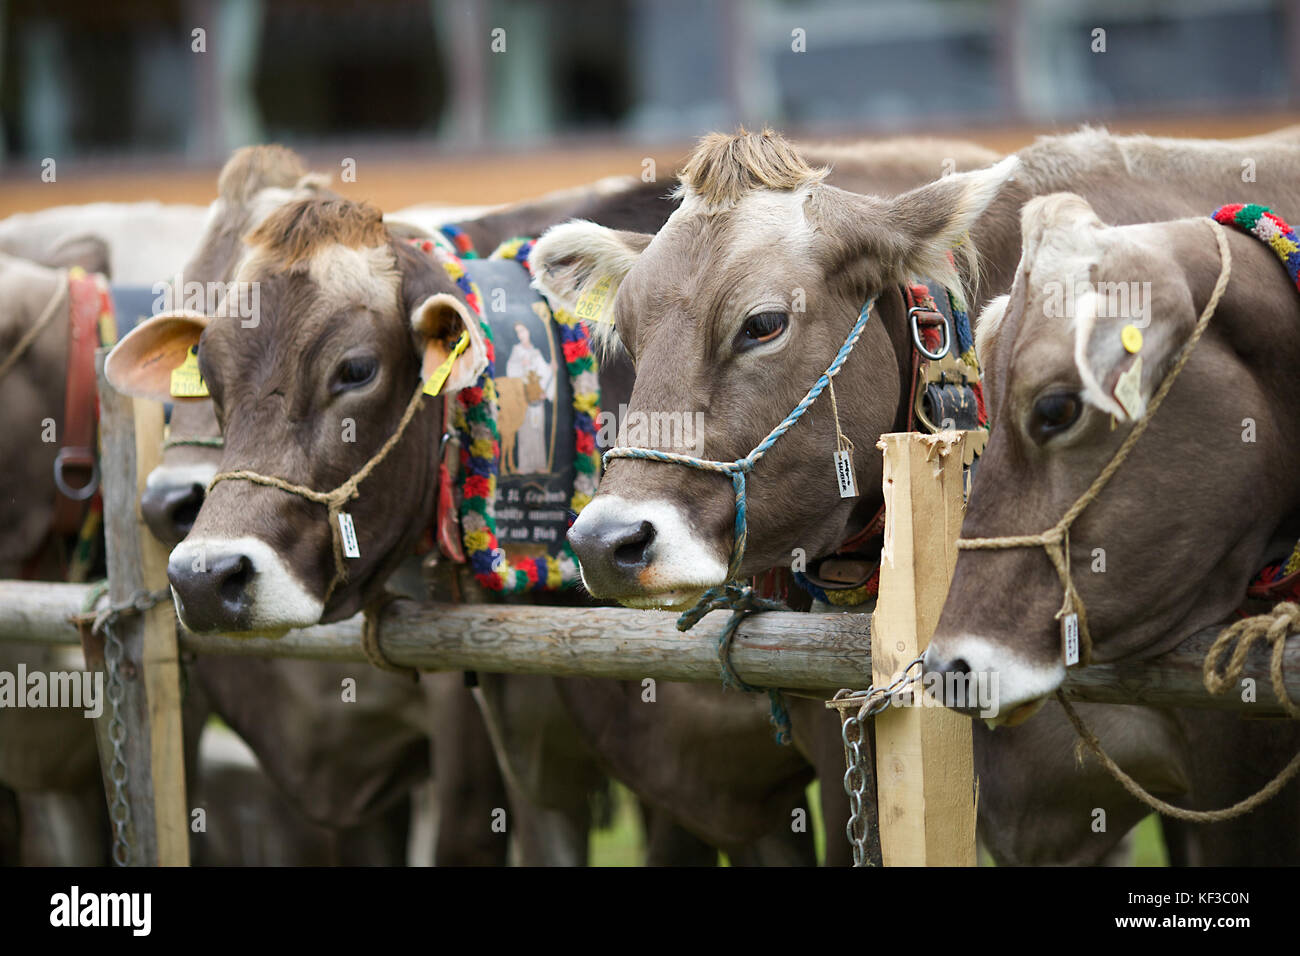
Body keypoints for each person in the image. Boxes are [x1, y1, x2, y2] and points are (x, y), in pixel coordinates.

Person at [505, 322, 556, 474]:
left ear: (528, 331)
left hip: (537, 397)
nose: (521, 335)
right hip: (524, 397)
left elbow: (544, 372)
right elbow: (511, 370)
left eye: (523, 331)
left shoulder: (536, 352)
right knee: (525, 430)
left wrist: (551, 368)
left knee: (538, 429)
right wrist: (521, 365)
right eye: (518, 332)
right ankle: (525, 465)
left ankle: (539, 464)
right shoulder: (517, 351)